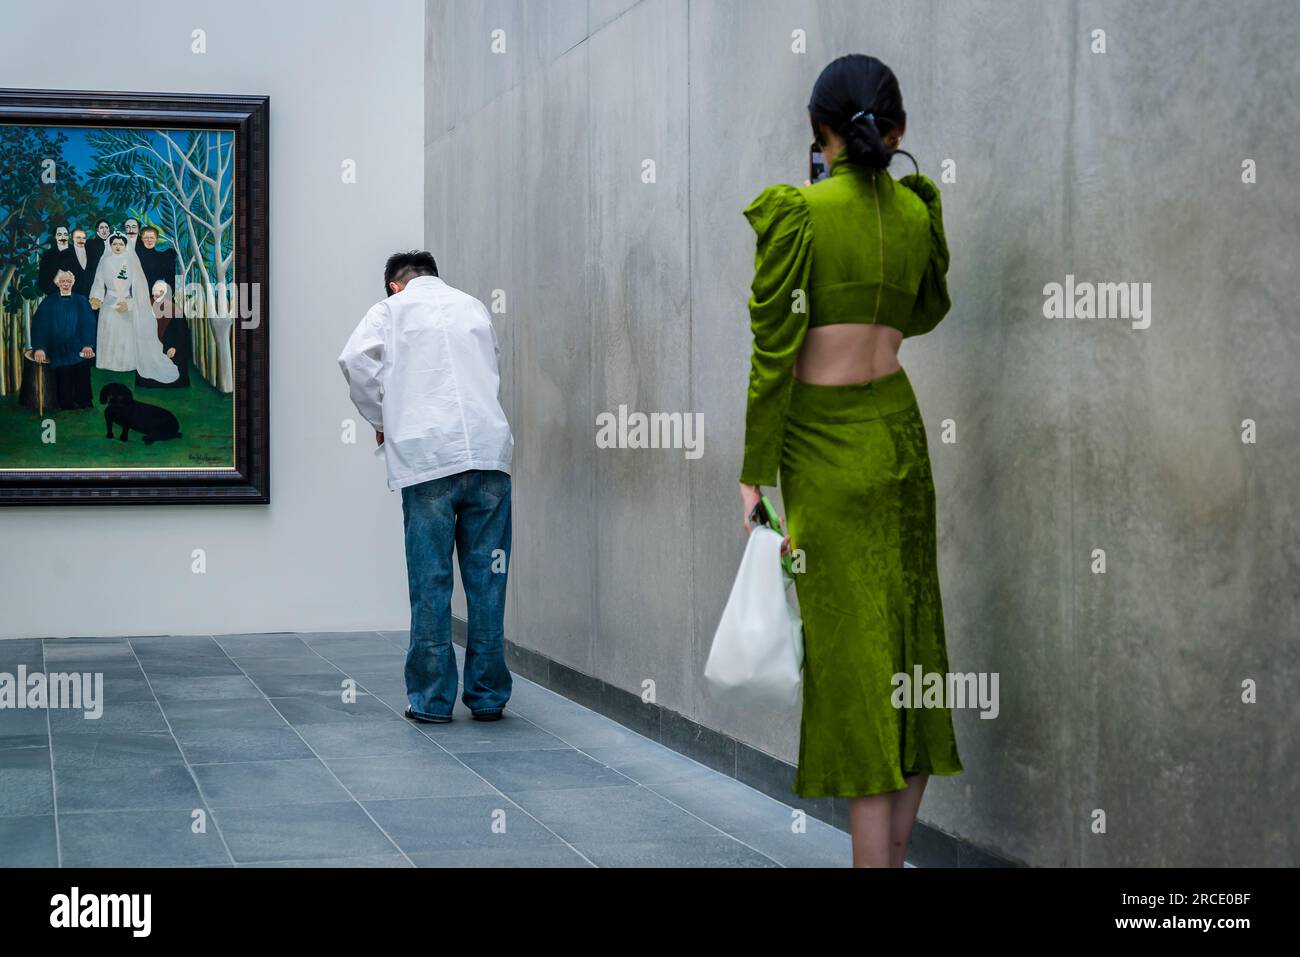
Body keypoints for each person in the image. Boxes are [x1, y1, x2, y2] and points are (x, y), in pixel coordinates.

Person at [737, 54, 962, 868]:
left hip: (824, 452)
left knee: (854, 663)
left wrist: (752, 472)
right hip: (900, 440)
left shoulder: (798, 215)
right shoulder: (914, 213)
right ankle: (894, 855)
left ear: (816, 129)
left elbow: (772, 355)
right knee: (910, 647)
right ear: (896, 130)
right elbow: (927, 310)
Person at [338, 251, 515, 724]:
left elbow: (354, 360)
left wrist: (382, 417)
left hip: (427, 460)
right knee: (488, 582)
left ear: (394, 285)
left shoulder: (390, 310)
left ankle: (433, 701)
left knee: (430, 583)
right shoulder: (473, 306)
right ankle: (488, 696)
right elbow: (489, 369)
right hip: (489, 456)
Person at [88, 233, 178, 384]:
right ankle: (108, 363)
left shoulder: (131, 261)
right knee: (110, 331)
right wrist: (97, 298)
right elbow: (98, 281)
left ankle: (127, 363)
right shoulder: (105, 261)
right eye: (114, 244)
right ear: (110, 245)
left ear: (125, 246)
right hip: (109, 301)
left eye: (120, 244)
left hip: (126, 302)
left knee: (125, 334)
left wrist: (129, 304)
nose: (117, 247)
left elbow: (139, 287)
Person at [30, 269, 96, 410]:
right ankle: (66, 403)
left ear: (72, 282)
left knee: (82, 370)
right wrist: (40, 347)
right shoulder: (49, 302)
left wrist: (87, 345)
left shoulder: (81, 301)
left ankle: (84, 402)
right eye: (62, 281)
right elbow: (40, 325)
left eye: (68, 281)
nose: (65, 284)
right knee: (64, 373)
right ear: (57, 283)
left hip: (78, 345)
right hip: (58, 347)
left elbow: (88, 324)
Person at [136, 280, 190, 389]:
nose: (156, 294)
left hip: (171, 349)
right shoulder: (146, 306)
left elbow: (182, 333)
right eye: (154, 291)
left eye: (160, 292)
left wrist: (175, 347)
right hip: (150, 348)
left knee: (173, 375)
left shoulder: (175, 310)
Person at [136, 226, 179, 294]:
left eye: (152, 237)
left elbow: (171, 280)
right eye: (146, 238)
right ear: (141, 239)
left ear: (156, 239)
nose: (149, 240)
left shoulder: (164, 257)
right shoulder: (136, 254)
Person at [37, 226, 70, 296]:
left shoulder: (76, 253)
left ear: (68, 236)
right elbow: (42, 279)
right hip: (53, 293)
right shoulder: (48, 255)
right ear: (55, 237)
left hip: (74, 295)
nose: (63, 237)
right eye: (59, 234)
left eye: (65, 234)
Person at [66, 228, 94, 297]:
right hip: (72, 295)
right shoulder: (66, 254)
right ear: (72, 238)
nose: (81, 240)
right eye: (78, 237)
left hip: (89, 296)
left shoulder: (91, 253)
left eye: (83, 238)